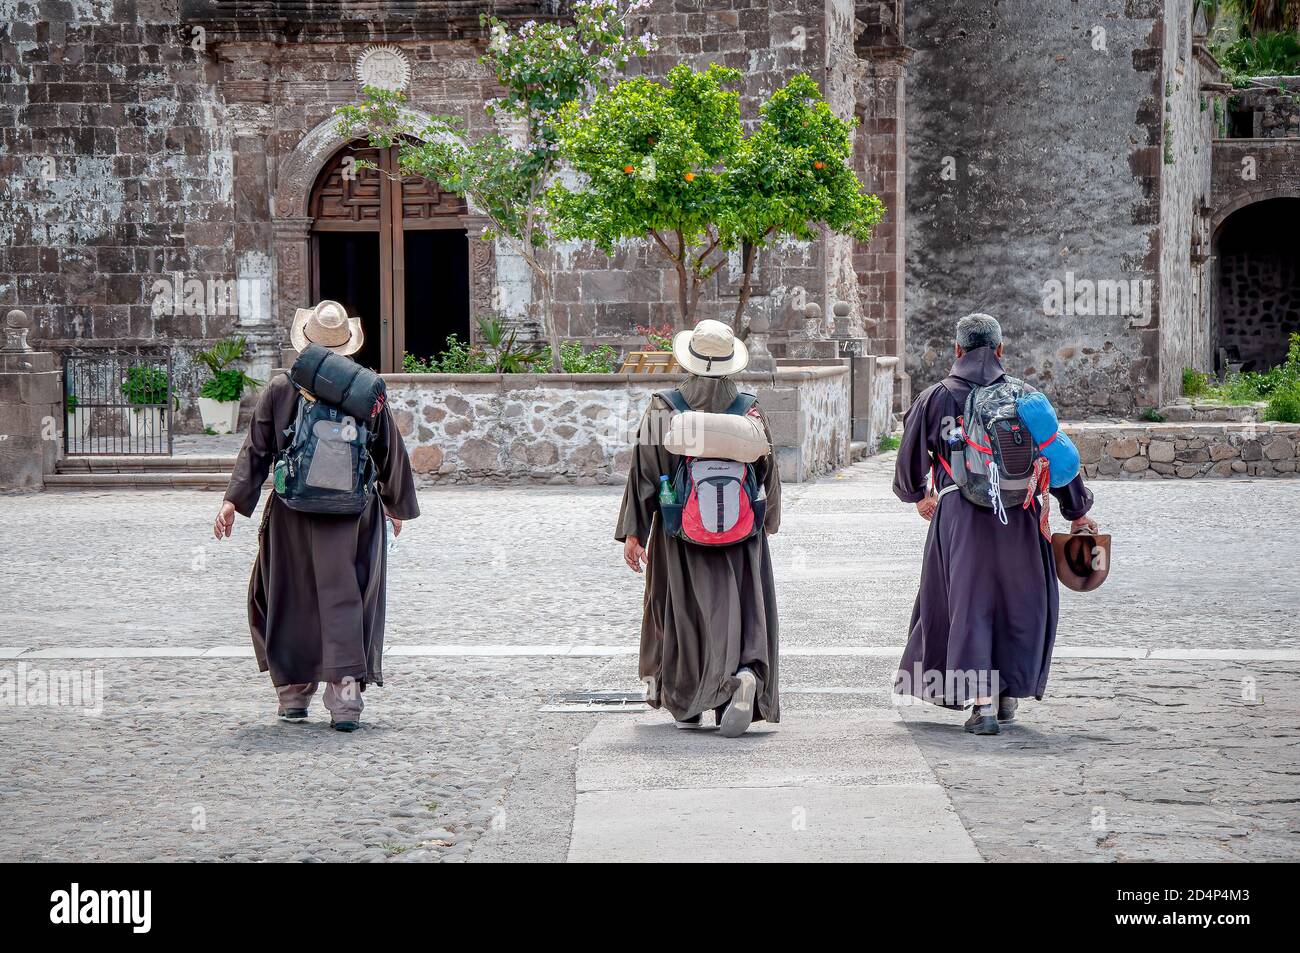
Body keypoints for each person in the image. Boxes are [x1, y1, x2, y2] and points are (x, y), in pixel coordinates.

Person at [212, 301, 419, 732]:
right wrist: (395, 504)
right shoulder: (368, 391)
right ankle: (345, 704)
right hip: (353, 516)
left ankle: (293, 695)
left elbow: (258, 449)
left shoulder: (281, 387)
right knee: (346, 599)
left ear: (305, 340)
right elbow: (387, 451)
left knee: (288, 597)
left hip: (290, 513)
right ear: (347, 345)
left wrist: (233, 500)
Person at [892, 313, 1098, 735]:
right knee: (1017, 604)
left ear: (957, 350)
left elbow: (907, 467)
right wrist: (1077, 514)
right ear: (1001, 350)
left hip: (960, 519)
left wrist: (920, 496)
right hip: (1021, 516)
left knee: (968, 606)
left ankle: (982, 707)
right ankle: (1007, 700)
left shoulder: (934, 398)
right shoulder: (1026, 397)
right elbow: (1059, 461)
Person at [616, 319, 782, 737]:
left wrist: (634, 532)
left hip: (679, 532)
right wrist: (769, 522)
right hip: (741, 534)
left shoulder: (664, 407)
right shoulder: (750, 407)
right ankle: (741, 678)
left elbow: (645, 472)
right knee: (739, 611)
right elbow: (767, 472)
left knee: (683, 613)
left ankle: (688, 702)